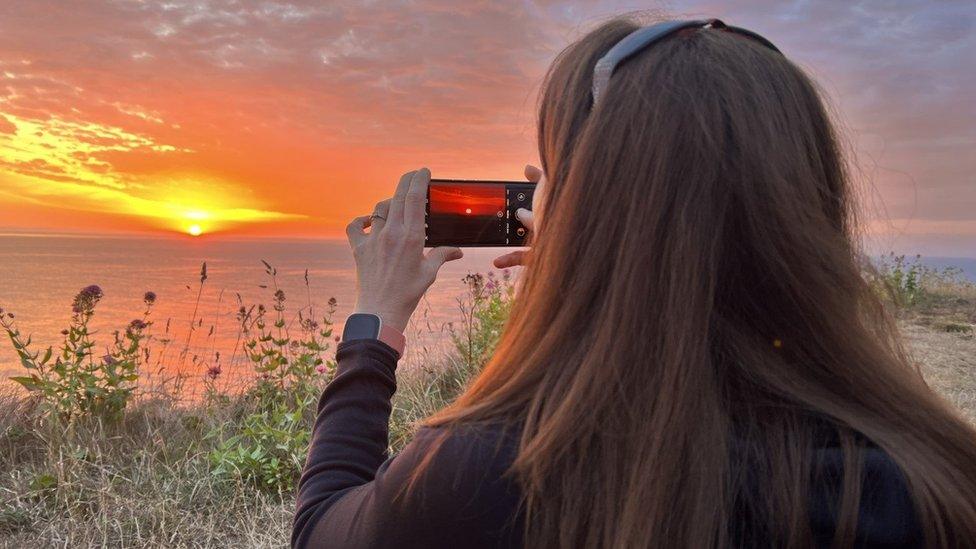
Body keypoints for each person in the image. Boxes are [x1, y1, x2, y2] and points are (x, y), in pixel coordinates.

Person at [292, 16, 976, 548]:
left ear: (587, 217)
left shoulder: (487, 475)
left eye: (553, 172)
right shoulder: (929, 484)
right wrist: (601, 274)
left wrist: (374, 324)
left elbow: (323, 525)